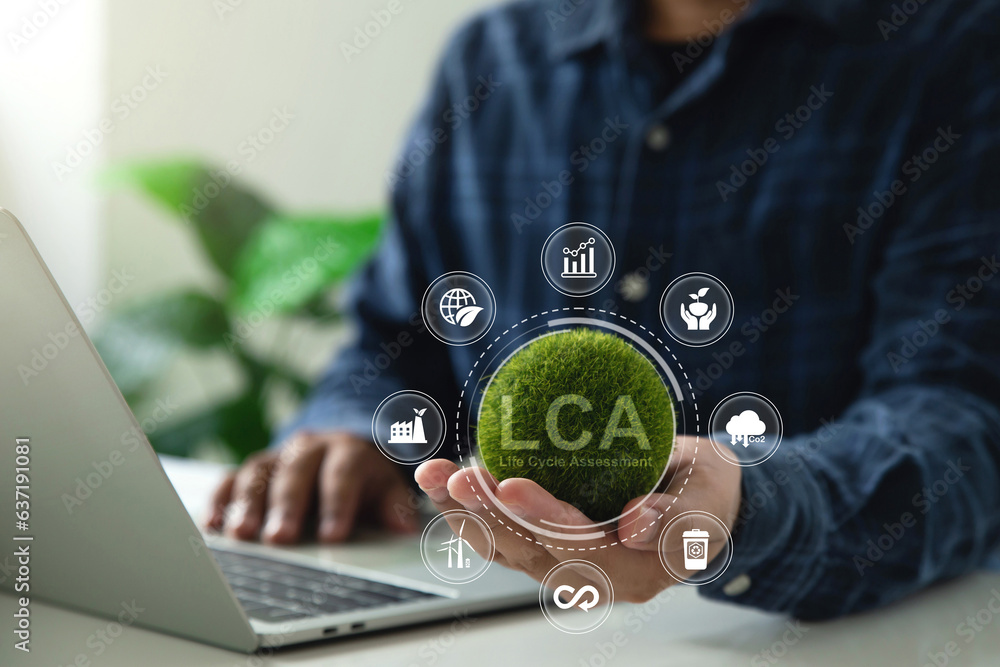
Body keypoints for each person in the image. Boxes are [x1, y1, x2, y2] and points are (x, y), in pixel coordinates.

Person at [206, 0, 1000, 619]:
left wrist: (749, 507)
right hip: (492, 629)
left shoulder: (957, 53)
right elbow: (397, 339)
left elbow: (962, 418)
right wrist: (358, 428)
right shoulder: (492, 60)